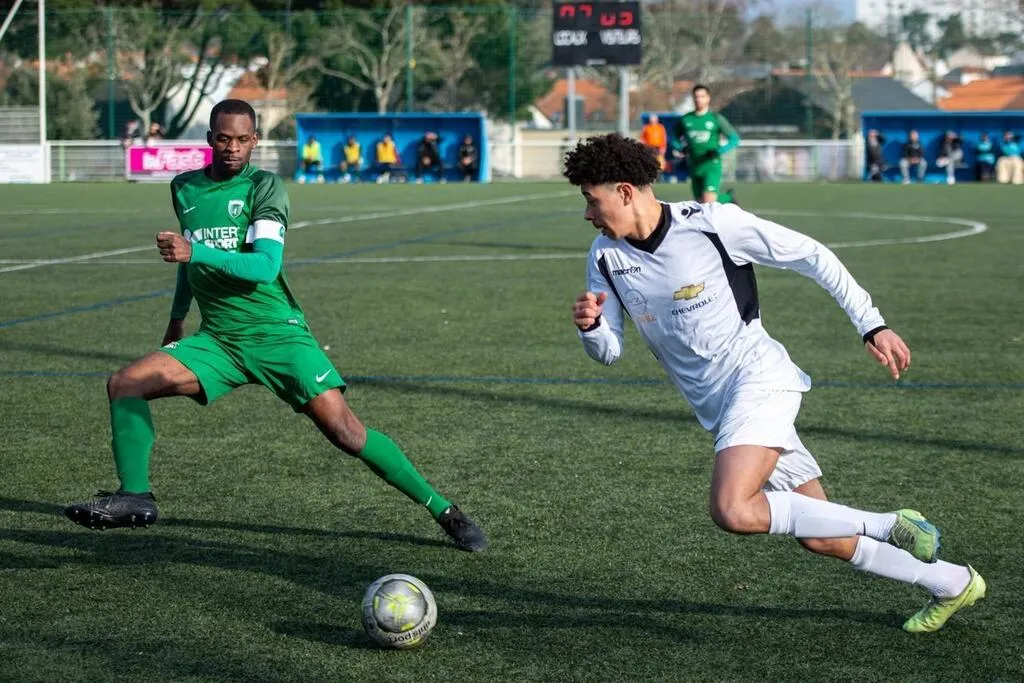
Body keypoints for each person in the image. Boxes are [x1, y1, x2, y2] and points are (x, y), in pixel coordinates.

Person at [564, 133, 984, 633]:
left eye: (593, 200)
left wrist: (871, 323)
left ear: (627, 191)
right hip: (719, 407)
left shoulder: (715, 225)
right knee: (821, 533)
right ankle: (952, 582)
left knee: (733, 509)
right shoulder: (605, 257)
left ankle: (890, 523)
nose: (589, 214)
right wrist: (592, 328)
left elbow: (813, 256)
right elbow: (609, 351)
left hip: (759, 379)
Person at [63, 99, 487, 554]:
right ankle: (136, 496)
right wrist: (176, 319)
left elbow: (265, 267)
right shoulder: (184, 187)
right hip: (220, 340)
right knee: (125, 383)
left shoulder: (265, 187)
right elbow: (189, 265)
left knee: (347, 433)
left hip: (278, 335)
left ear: (255, 142)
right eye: (224, 138)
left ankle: (444, 510)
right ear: (210, 139)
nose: (233, 148)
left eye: (243, 140)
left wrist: (194, 253)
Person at [671, 85, 740, 204]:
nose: (698, 99)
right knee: (700, 204)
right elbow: (673, 138)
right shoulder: (686, 119)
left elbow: (734, 139)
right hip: (694, 165)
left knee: (708, 201)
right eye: (696, 97)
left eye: (702, 96)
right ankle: (727, 198)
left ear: (708, 98)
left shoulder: (715, 118)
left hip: (711, 165)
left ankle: (728, 200)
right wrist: (681, 148)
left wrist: (718, 151)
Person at [639, 114, 668, 181]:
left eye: (654, 120)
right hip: (649, 147)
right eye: (651, 120)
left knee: (660, 162)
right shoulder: (646, 127)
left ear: (657, 120)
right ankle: (650, 176)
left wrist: (663, 147)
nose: (652, 121)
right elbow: (642, 138)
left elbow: (664, 138)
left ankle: (659, 177)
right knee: (650, 162)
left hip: (658, 147)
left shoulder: (660, 127)